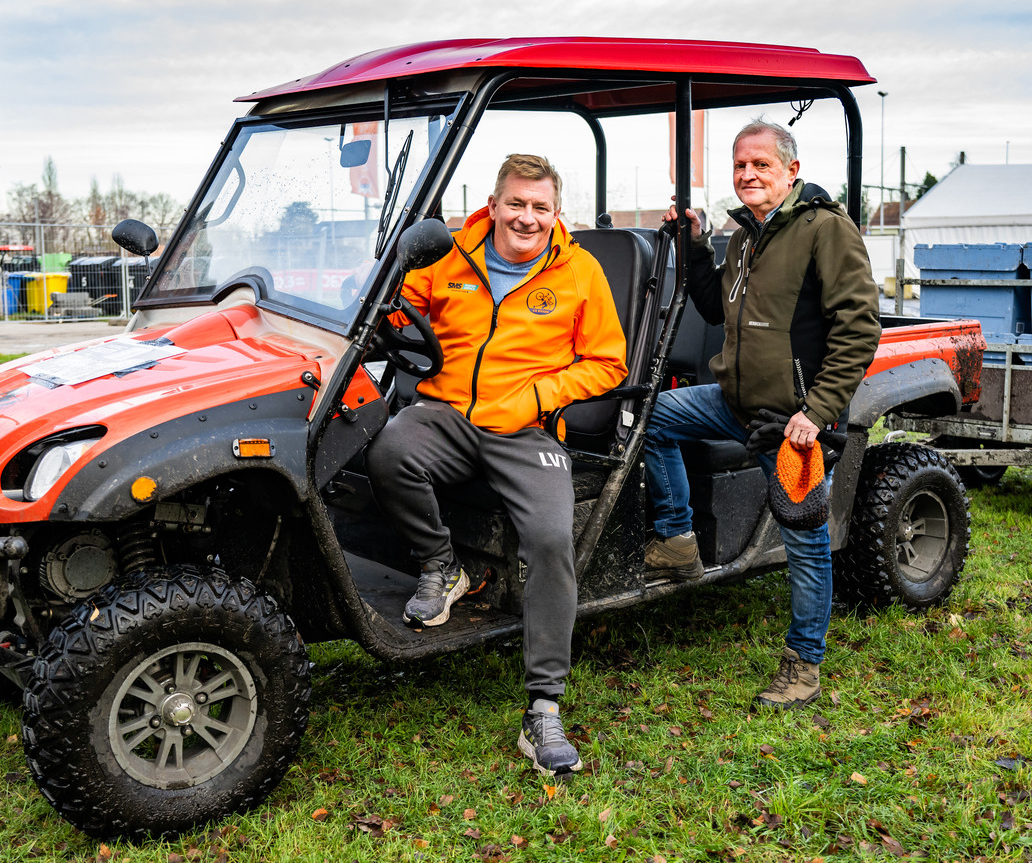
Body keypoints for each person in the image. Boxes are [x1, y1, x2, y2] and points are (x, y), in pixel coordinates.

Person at [366, 154, 628, 776]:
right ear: (493, 203)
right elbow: (400, 303)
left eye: (540, 207)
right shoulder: (451, 254)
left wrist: (536, 397)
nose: (527, 218)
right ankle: (442, 565)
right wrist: (388, 309)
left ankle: (544, 707)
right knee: (387, 449)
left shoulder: (578, 272)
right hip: (449, 413)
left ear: (555, 213)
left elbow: (609, 363)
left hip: (526, 426)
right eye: (516, 203)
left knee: (548, 537)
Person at [647, 118, 880, 710]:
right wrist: (693, 245)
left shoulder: (826, 231)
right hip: (736, 405)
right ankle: (678, 538)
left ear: (791, 171)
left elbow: (859, 329)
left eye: (761, 165)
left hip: (795, 423)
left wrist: (818, 411)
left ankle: (804, 664)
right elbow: (714, 306)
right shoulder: (745, 236)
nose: (748, 175)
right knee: (655, 414)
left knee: (804, 542)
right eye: (740, 166)